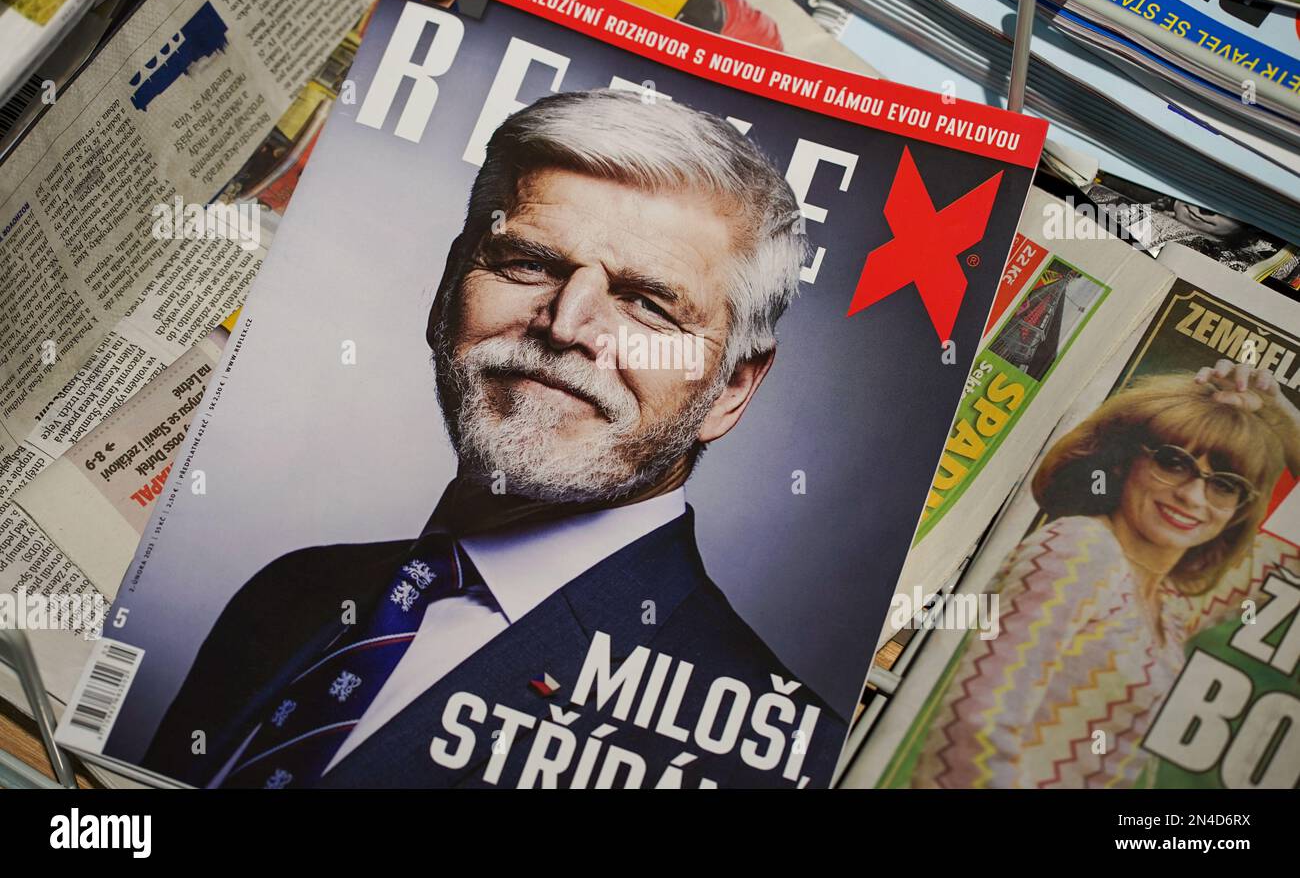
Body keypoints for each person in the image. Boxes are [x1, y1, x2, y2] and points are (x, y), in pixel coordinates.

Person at [144, 90, 843, 789]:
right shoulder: (294, 591)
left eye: (647, 304)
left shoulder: (778, 761)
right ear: (448, 289)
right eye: (530, 264)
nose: (567, 325)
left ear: (730, 389)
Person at [909, 361, 1300, 787]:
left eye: (1223, 485)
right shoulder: (1080, 551)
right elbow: (974, 730)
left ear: (1238, 510)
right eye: (1173, 463)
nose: (1191, 496)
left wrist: (1282, 417)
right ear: (1122, 462)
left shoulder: (1170, 605)